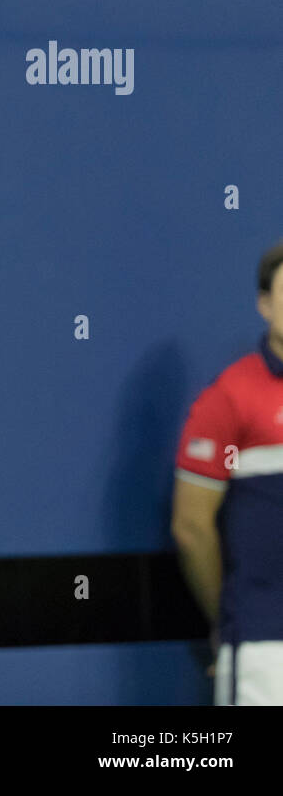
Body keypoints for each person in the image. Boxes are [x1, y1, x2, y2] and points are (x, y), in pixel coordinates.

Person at [173, 240, 283, 705]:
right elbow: (191, 527)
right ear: (264, 304)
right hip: (265, 645)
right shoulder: (230, 398)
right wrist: (231, 619)